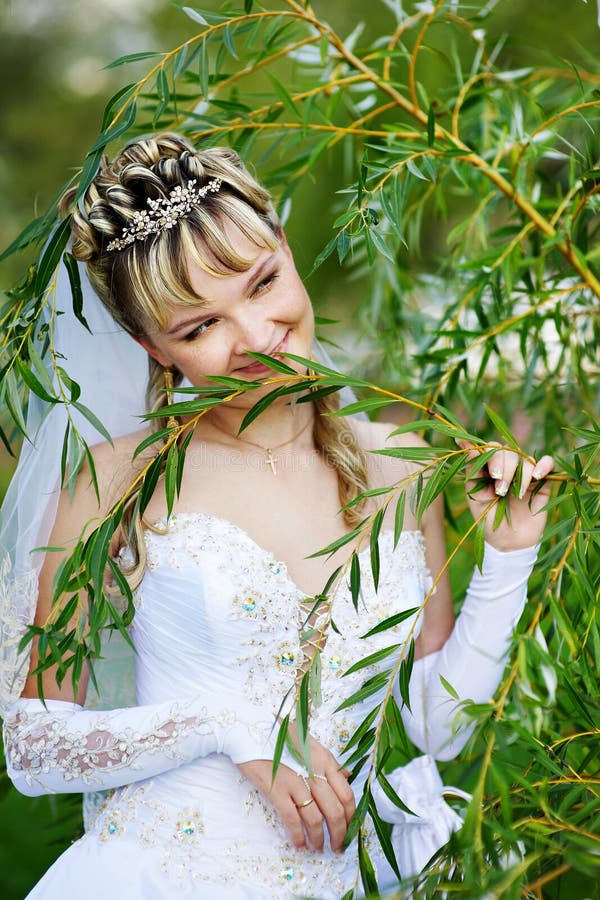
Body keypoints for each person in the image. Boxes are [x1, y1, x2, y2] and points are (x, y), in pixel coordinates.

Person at [1, 132, 554, 899]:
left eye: (262, 285)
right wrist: (231, 727)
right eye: (200, 328)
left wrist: (509, 558)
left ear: (287, 247)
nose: (256, 337)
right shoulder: (115, 480)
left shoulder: (400, 460)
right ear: (149, 346)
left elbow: (434, 725)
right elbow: (35, 748)